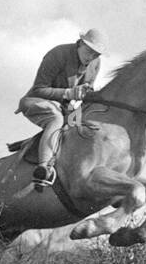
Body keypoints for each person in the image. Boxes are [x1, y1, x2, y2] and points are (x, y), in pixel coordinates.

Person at [16, 29, 106, 186]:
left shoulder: (96, 64)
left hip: (65, 108)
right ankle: (43, 169)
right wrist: (69, 93)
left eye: (96, 54)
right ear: (80, 43)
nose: (91, 57)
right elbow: (39, 89)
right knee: (56, 119)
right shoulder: (58, 54)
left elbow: (86, 91)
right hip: (36, 101)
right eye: (89, 51)